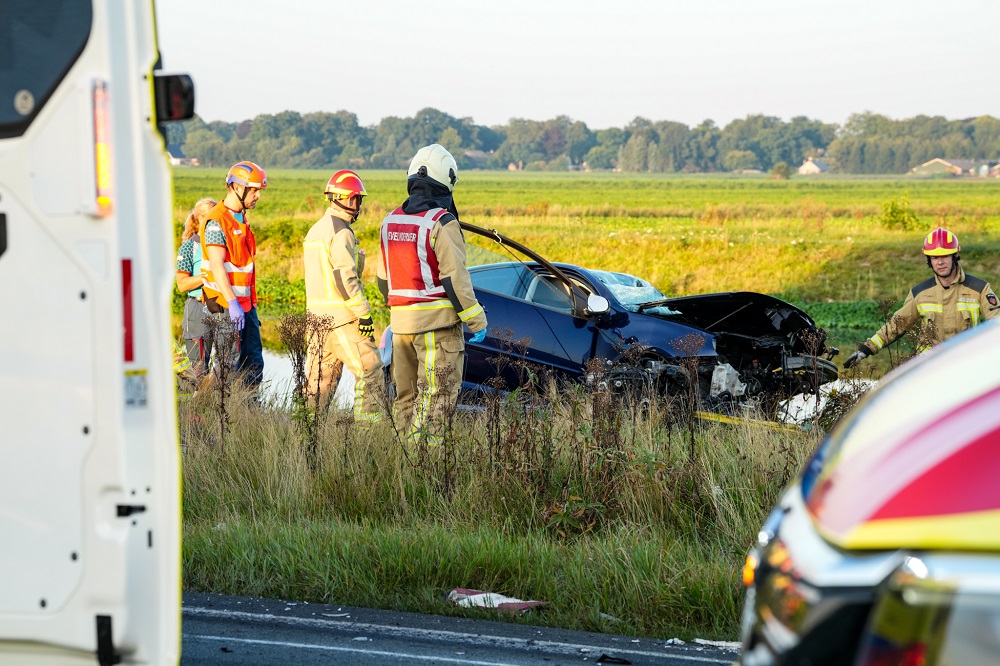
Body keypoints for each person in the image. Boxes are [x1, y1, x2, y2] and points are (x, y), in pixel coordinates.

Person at [376, 144, 487, 443]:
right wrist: (477, 321)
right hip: (436, 329)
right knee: (436, 398)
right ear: (446, 181)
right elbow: (455, 279)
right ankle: (424, 463)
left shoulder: (390, 221)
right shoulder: (442, 223)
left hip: (400, 329)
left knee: (405, 398)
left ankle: (402, 459)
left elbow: (383, 281)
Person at [844, 227, 999, 368]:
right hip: (928, 370)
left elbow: (997, 324)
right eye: (934, 257)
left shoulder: (979, 289)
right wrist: (866, 349)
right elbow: (896, 325)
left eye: (945, 256)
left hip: (966, 365)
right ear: (929, 260)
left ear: (955, 256)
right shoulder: (920, 293)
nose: (940, 262)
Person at [303, 169, 385, 420]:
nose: (359, 205)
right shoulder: (342, 232)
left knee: (319, 383)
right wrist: (364, 314)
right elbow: (344, 278)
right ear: (350, 199)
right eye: (358, 199)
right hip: (342, 318)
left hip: (316, 321)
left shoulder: (315, 230)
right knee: (370, 370)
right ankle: (368, 431)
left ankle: (307, 433)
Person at [199, 161, 267, 389]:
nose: (258, 196)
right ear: (237, 187)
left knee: (253, 364)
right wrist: (232, 302)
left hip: (246, 305)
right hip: (225, 305)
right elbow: (217, 265)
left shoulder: (241, 218)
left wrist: (245, 305)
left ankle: (250, 407)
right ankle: (208, 406)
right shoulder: (217, 221)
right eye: (254, 190)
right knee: (226, 367)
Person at [175, 197, 218, 376]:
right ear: (199, 219)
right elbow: (182, 284)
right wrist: (207, 275)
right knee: (198, 367)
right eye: (212, 218)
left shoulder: (221, 244)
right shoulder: (188, 248)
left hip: (220, 305)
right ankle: (198, 394)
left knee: (227, 363)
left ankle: (224, 395)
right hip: (197, 307)